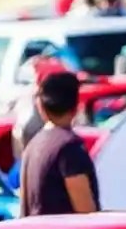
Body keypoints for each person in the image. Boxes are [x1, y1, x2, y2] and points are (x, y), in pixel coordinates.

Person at [19, 71, 99, 217]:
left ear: (41, 106)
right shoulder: (69, 148)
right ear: (76, 107)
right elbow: (87, 214)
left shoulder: (32, 145)